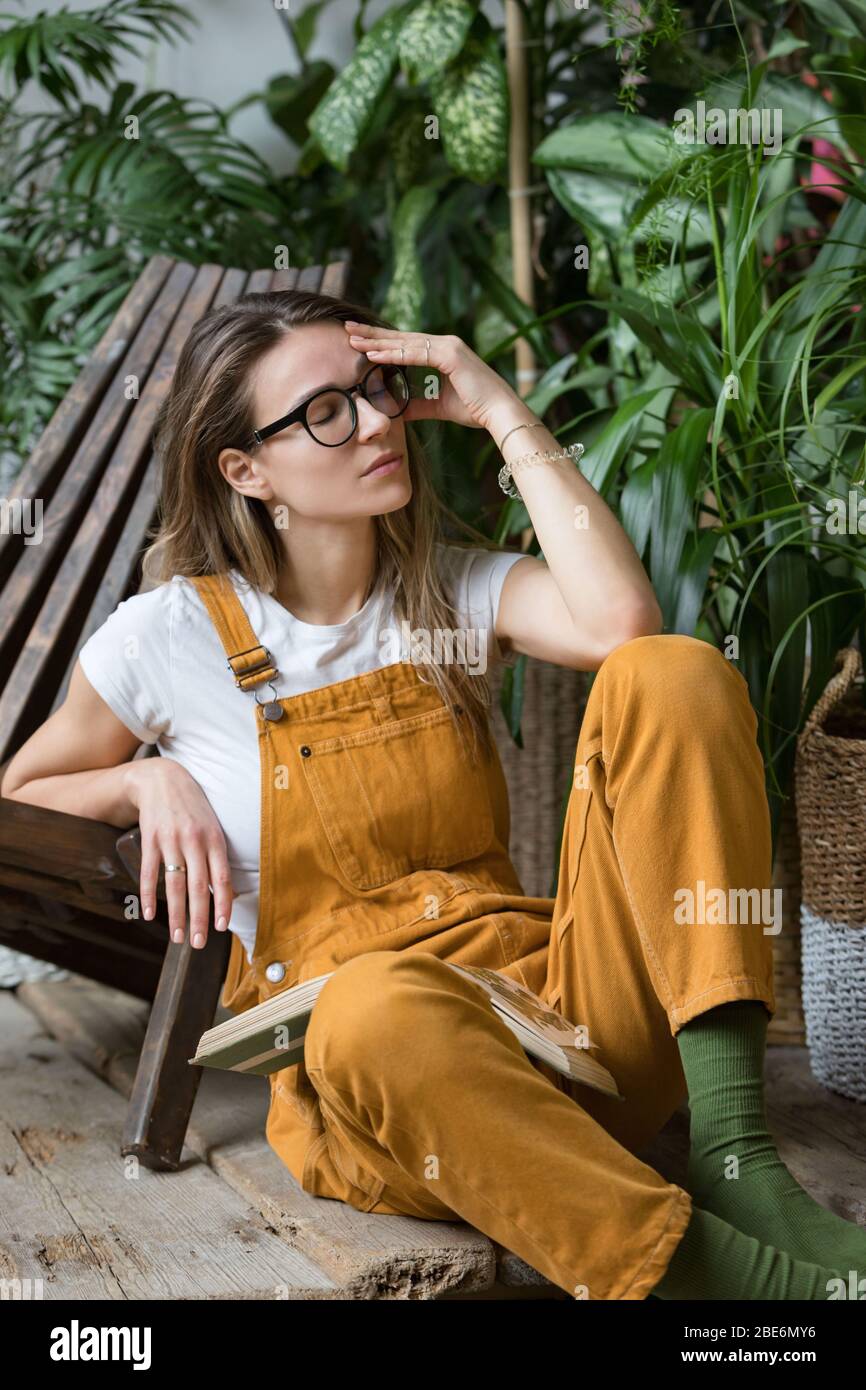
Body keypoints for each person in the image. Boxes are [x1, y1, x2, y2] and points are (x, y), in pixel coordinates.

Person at [4, 288, 864, 1302]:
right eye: (326, 411)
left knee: (668, 669)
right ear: (245, 469)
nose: (375, 423)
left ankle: (734, 1159)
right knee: (368, 1007)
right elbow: (20, 796)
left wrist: (499, 408)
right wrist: (140, 777)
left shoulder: (446, 593)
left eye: (376, 391)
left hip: (572, 1032)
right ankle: (707, 1277)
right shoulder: (166, 638)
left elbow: (620, 622)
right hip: (390, 1092)